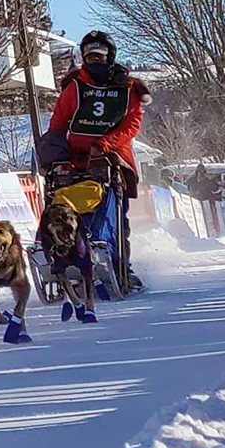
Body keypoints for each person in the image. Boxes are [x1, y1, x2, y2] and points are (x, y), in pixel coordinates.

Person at [46, 30, 151, 291]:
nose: (95, 61)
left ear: (110, 57)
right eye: (90, 56)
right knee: (68, 207)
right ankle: (69, 256)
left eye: (100, 57)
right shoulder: (75, 86)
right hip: (75, 160)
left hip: (114, 160)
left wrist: (103, 145)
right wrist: (54, 152)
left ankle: (120, 264)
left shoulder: (128, 88)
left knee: (115, 213)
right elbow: (59, 122)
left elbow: (132, 125)